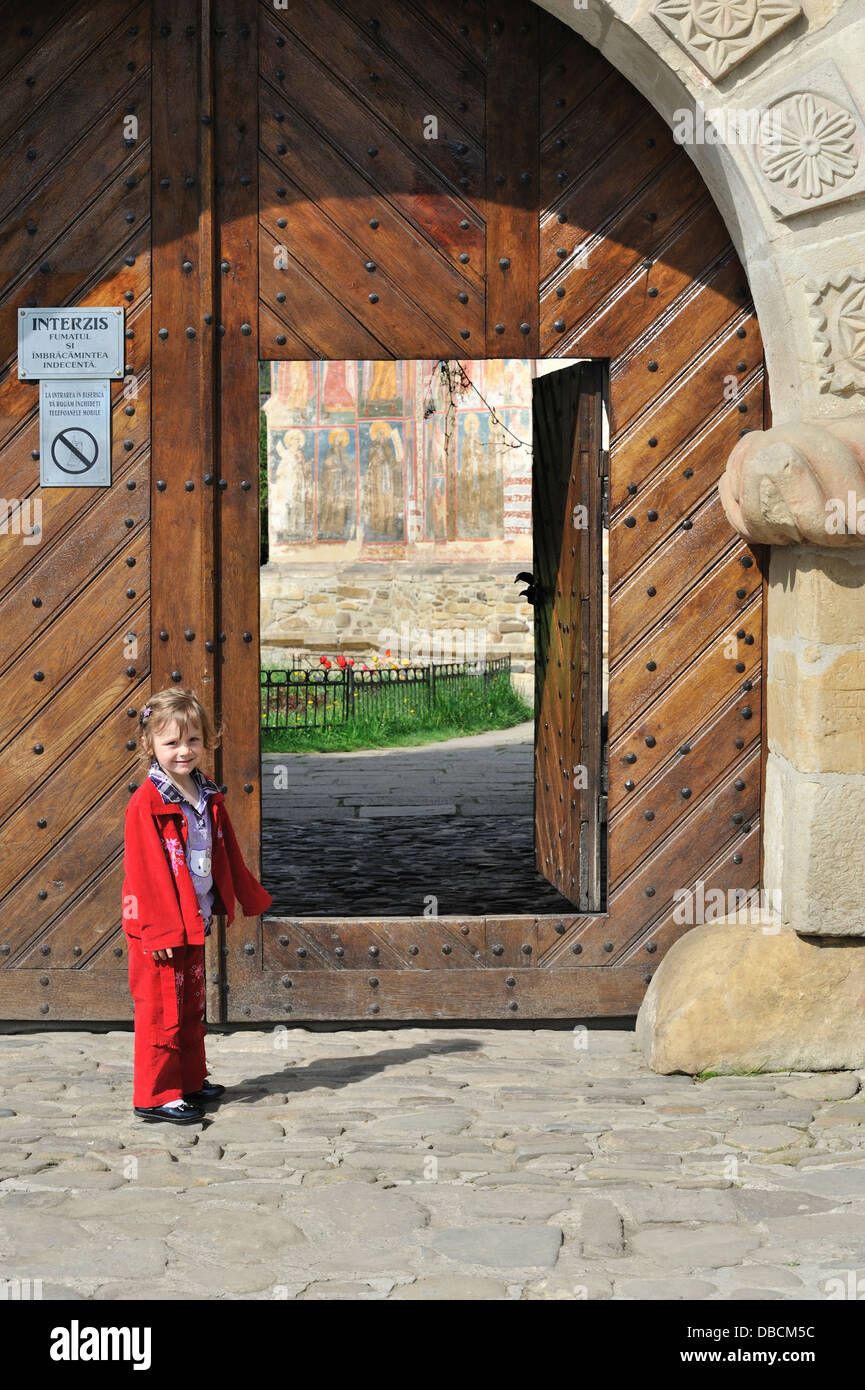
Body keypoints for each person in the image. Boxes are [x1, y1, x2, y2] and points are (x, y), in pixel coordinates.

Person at [122, 688, 272, 1123]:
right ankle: (156, 1093)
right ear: (150, 746)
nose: (183, 751)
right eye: (171, 743)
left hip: (192, 919)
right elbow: (147, 874)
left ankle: (188, 1079)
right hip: (159, 928)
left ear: (208, 740)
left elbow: (225, 853)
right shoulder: (147, 803)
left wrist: (244, 894)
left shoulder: (205, 793)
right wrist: (159, 931)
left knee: (190, 1002)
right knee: (161, 1008)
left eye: (193, 741)